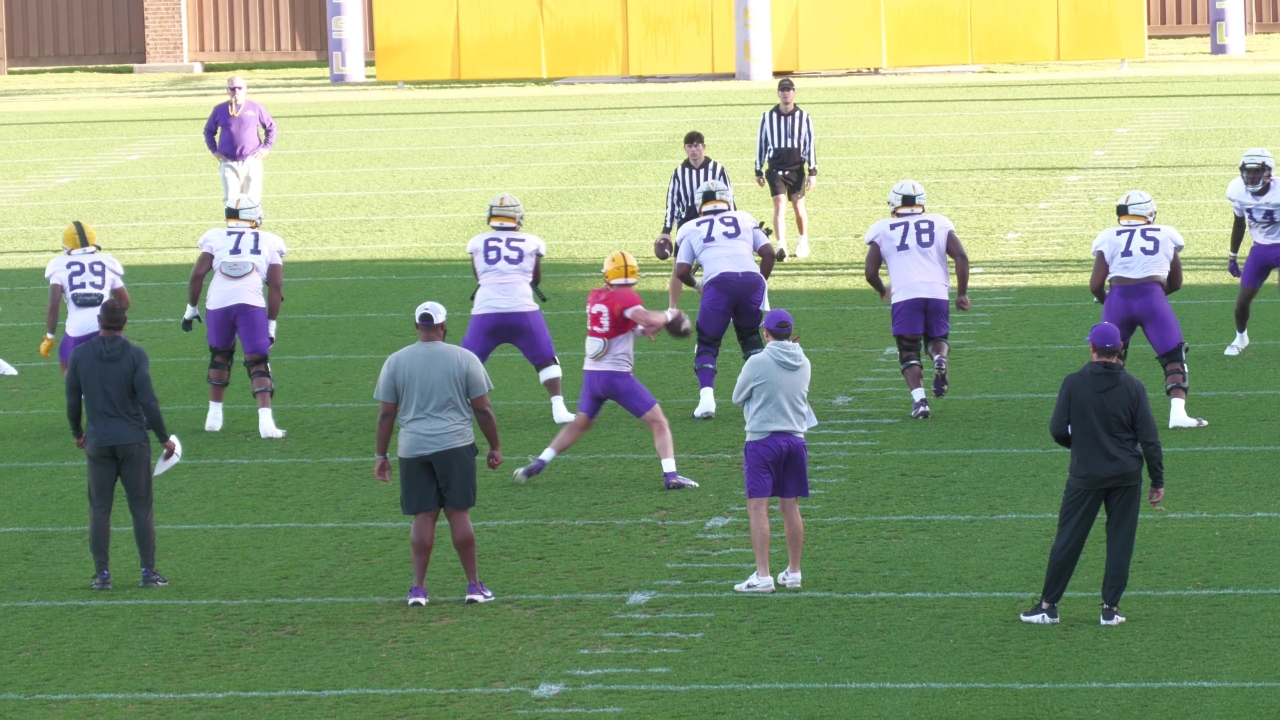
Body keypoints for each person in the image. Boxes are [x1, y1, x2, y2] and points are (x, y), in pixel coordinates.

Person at [513, 251, 699, 490]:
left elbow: (623, 327)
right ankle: (671, 475)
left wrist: (653, 326)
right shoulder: (626, 296)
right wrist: (669, 315)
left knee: (580, 423)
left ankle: (538, 463)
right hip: (616, 377)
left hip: (592, 376)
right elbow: (644, 317)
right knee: (659, 422)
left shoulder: (596, 296)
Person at [1022, 322, 1165, 626]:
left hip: (1085, 474)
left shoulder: (1074, 383)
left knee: (1068, 539)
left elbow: (1057, 429)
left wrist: (1080, 445)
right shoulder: (1134, 387)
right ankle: (1110, 609)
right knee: (1120, 541)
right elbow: (1149, 439)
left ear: (1092, 349)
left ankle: (1048, 606)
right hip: (1126, 475)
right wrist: (1158, 480)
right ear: (1120, 350)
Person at [373, 301, 502, 607]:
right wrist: (494, 446)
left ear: (416, 326)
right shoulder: (464, 358)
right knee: (458, 513)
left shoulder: (395, 361)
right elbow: (482, 408)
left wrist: (381, 455)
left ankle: (418, 589)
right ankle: (473, 585)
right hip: (455, 445)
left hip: (413, 448)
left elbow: (385, 416)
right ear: (444, 326)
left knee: (423, 516)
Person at [65, 299, 177, 591]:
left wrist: (77, 432)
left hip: (99, 441)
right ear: (124, 322)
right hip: (132, 441)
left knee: (100, 509)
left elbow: (72, 401)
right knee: (141, 507)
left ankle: (102, 575)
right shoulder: (135, 355)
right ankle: (147, 572)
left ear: (99, 320)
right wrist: (163, 437)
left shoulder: (79, 355)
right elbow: (148, 400)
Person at [1090, 190, 1207, 429]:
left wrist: (1108, 301)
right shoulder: (1166, 233)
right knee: (1174, 358)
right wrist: (1151, 299)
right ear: (1149, 213)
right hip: (1153, 300)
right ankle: (1177, 414)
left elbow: (1095, 285)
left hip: (1118, 300)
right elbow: (1176, 283)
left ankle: (1105, 417)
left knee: (1108, 360)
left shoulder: (1108, 236)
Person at [462, 194, 575, 424]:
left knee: (464, 363)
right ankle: (558, 408)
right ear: (518, 217)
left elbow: (479, 276)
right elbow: (535, 278)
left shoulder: (477, 242)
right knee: (546, 359)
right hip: (522, 309)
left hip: (486, 310)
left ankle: (452, 408)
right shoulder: (532, 242)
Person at [181, 195, 287, 439]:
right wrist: (271, 324)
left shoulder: (215, 236)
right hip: (250, 303)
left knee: (220, 356)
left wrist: (191, 309)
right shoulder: (269, 240)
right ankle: (265, 424)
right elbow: (276, 286)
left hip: (218, 302)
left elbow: (197, 275)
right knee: (258, 361)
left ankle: (213, 418)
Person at [864, 180, 971, 419]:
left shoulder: (882, 228)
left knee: (908, 350)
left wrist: (882, 289)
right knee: (937, 338)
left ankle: (920, 402)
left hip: (905, 295)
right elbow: (961, 256)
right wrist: (962, 293)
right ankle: (939, 357)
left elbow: (870, 272)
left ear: (894, 204)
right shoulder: (940, 222)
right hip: (937, 292)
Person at [674, 180, 776, 419]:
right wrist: (759, 281)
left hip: (718, 283)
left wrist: (698, 285)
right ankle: (765, 399)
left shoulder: (690, 227)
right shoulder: (744, 217)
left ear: (700, 203)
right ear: (727, 199)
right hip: (751, 280)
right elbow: (768, 253)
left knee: (708, 342)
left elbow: (681, 271)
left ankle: (707, 401)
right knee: (751, 339)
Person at [730, 309, 816, 593]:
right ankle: (793, 572)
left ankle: (764, 575)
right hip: (795, 440)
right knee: (790, 507)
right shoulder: (804, 362)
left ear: (766, 333)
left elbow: (736, 397)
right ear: (789, 332)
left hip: (762, 442)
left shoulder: (757, 361)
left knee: (757, 508)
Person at [653, 131, 734, 310]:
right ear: (685, 148)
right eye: (690, 146)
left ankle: (724, 305)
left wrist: (732, 222)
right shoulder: (679, 173)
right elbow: (672, 202)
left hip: (713, 223)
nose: (693, 150)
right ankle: (672, 308)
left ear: (704, 147)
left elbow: (729, 198)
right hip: (687, 225)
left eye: (697, 145)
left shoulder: (718, 169)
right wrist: (666, 230)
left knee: (718, 265)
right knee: (678, 268)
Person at [41, 222, 129, 376]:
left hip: (77, 329)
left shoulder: (59, 264)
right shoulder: (108, 262)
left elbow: (53, 305)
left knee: (67, 364)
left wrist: (49, 337)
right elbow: (124, 303)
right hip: (107, 326)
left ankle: (83, 395)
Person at [1224, 148, 1280, 356]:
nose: (1252, 175)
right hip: (1261, 248)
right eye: (1248, 171)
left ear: (1268, 172)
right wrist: (1232, 256)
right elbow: (1239, 222)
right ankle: (1241, 338)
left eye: (1257, 171)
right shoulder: (1236, 190)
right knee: (1243, 299)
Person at [755, 78, 816, 260]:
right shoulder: (767, 117)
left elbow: (810, 143)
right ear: (778, 93)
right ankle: (781, 247)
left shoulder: (804, 117)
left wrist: (813, 171)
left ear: (794, 93)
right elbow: (761, 143)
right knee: (779, 205)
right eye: (782, 90)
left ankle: (802, 242)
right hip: (775, 168)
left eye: (788, 90)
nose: (785, 93)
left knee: (798, 207)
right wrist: (758, 169)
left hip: (797, 168)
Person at [203, 75, 276, 204]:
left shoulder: (255, 108)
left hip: (251, 160)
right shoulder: (219, 109)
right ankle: (233, 225)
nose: (236, 91)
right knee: (231, 200)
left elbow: (271, 128)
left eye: (239, 88)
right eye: (232, 88)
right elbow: (209, 131)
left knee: (251, 200)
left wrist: (266, 147)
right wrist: (214, 150)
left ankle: (252, 224)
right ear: (227, 90)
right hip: (228, 162)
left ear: (245, 89)